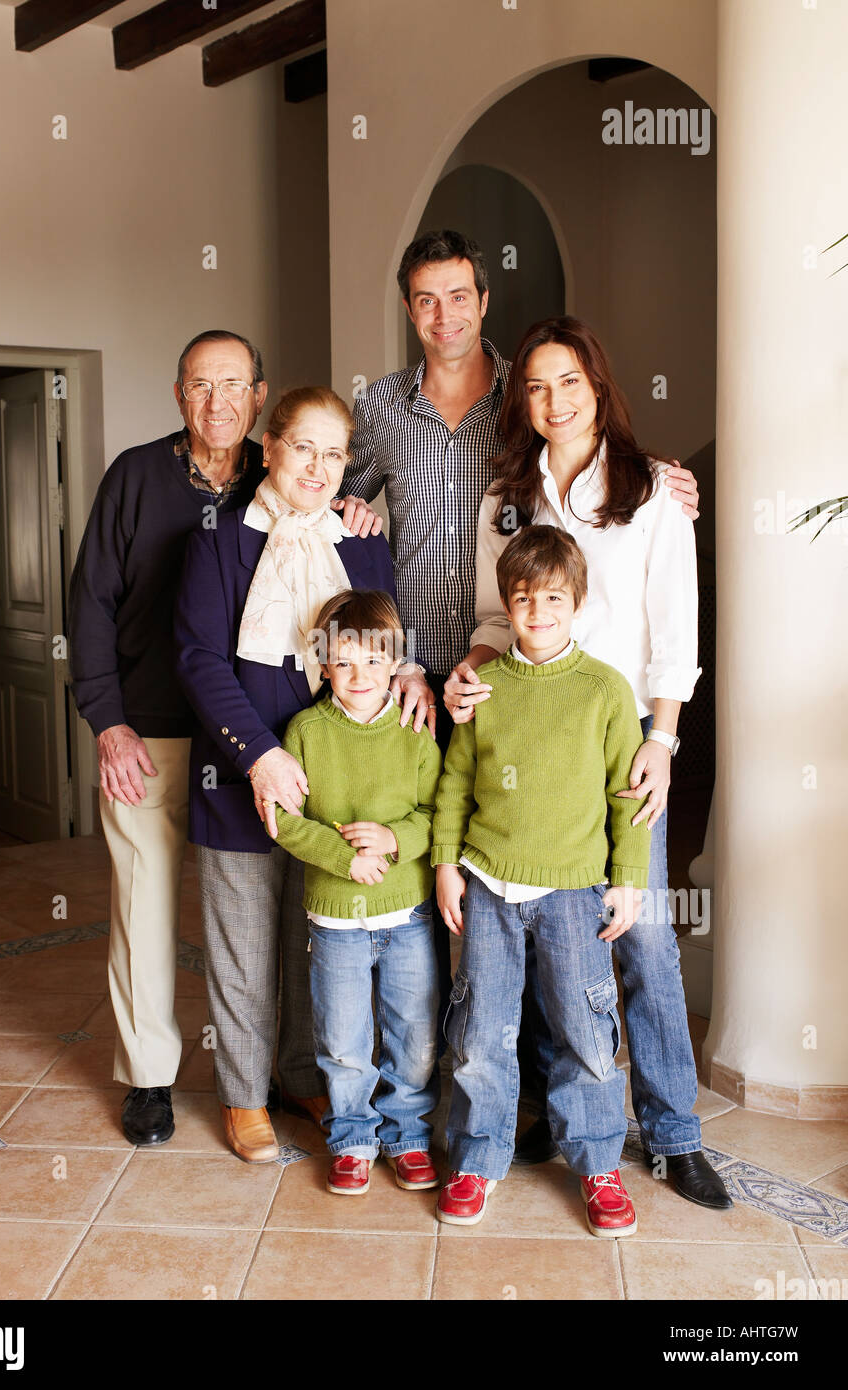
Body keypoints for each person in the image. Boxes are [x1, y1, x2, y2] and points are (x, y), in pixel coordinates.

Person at [339, 229, 701, 1014]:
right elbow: (340, 502)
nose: (444, 315)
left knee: (584, 903)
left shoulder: (567, 429)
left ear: (483, 301)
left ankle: (607, 1103)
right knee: (465, 885)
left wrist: (662, 740)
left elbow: (667, 618)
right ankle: (466, 1078)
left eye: (459, 296)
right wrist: (341, 521)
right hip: (440, 685)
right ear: (408, 309)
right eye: (426, 299)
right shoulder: (396, 420)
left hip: (567, 701)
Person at [445, 315, 731, 1211]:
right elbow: (494, 620)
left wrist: (663, 738)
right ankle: (548, 1117)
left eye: (567, 381)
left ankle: (674, 1134)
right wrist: (467, 672)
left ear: (598, 386)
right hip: (527, 742)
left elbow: (675, 627)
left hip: (620, 742)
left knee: (637, 932)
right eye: (533, 385)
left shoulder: (652, 490)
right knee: (532, 931)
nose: (552, 400)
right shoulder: (505, 491)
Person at [68, 333, 380, 1149]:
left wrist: (356, 512)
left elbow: (366, 622)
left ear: (257, 401)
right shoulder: (137, 477)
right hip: (151, 727)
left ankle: (291, 1076)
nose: (217, 402)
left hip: (275, 739)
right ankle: (151, 1079)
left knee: (296, 923)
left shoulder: (287, 481)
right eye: (201, 386)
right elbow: (91, 605)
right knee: (148, 900)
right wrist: (107, 720)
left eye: (233, 386)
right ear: (180, 395)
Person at [173, 387, 426, 1164]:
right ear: (270, 447)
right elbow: (199, 661)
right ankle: (245, 1096)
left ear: (348, 464)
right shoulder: (217, 541)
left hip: (342, 784)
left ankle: (297, 1078)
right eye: (302, 447)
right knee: (245, 950)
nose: (317, 466)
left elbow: (381, 652)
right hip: (241, 776)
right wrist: (260, 754)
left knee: (314, 939)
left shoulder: (362, 544)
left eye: (333, 452)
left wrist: (410, 673)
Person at [433, 526, 650, 1234]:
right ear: (507, 603)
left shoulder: (605, 691)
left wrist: (628, 879)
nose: (537, 611)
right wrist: (444, 864)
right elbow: (455, 783)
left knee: (585, 1035)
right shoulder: (483, 687)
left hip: (574, 893)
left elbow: (628, 795)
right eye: (523, 598)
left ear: (577, 602)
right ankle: (476, 1160)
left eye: (553, 597)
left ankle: (597, 1168)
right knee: (480, 1033)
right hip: (489, 886)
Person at [273, 588, 442, 1196]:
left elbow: (435, 812)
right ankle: (351, 1137)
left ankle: (409, 1133)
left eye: (374, 661)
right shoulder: (304, 732)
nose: (359, 675)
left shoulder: (414, 727)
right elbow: (285, 821)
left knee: (414, 1033)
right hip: (335, 920)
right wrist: (344, 857)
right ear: (323, 664)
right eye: (343, 662)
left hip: (409, 915)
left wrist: (393, 841)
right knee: (343, 1040)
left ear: (396, 663)